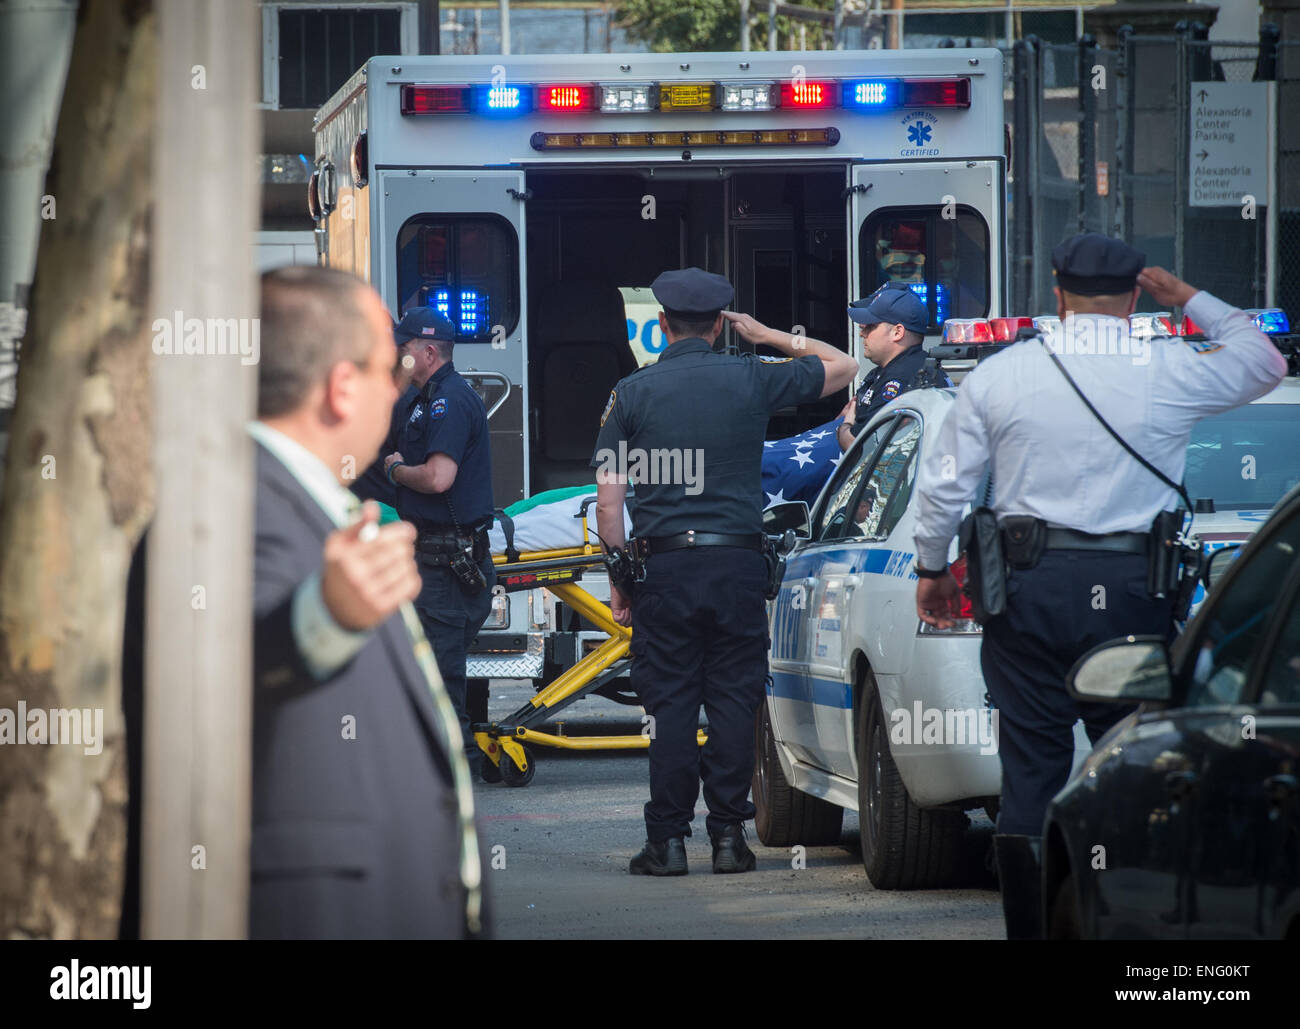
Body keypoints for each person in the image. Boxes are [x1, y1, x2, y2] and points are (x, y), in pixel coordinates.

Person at [911, 232, 1288, 938]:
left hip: (1026, 589)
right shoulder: (1169, 366)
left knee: (1030, 768)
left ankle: (1035, 928)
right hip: (1134, 593)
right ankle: (1134, 932)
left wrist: (933, 570)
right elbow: (1263, 360)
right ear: (1138, 293)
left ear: (1056, 291)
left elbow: (943, 486)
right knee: (1137, 767)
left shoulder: (1003, 374)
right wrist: (1191, 299)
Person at [122, 266, 486, 939]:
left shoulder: (304, 500)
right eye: (388, 369)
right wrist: (324, 616)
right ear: (343, 388)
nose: (397, 386)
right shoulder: (226, 503)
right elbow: (214, 658)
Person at [592, 267, 857, 876]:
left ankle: (667, 843)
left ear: (661, 327)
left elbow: (610, 502)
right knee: (735, 701)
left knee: (672, 704)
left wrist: (619, 578)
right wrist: (768, 336)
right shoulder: (751, 377)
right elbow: (843, 366)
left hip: (664, 572)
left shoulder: (630, 393)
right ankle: (730, 841)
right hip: (738, 565)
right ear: (718, 325)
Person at [381, 307, 497, 781]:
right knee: (427, 675)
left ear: (429, 351)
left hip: (447, 566)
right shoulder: (422, 399)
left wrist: (395, 471)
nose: (399, 356)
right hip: (430, 561)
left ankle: (456, 781)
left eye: (405, 349)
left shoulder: (450, 400)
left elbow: (437, 477)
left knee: (442, 684)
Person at [836, 282, 951, 452]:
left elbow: (859, 447)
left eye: (871, 326)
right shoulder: (888, 370)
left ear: (897, 332)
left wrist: (844, 427)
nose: (862, 333)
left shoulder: (905, 377)